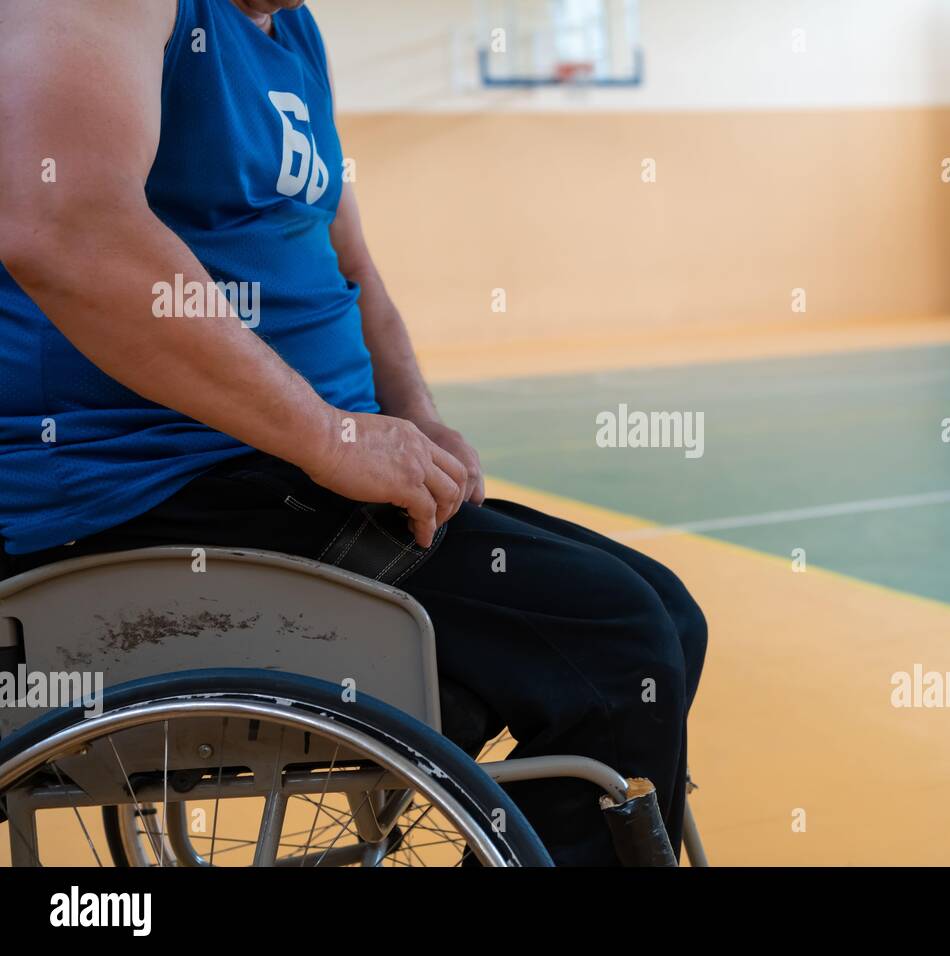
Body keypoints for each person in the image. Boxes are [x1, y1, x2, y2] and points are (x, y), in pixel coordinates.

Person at [0, 0, 706, 866]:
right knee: (614, 642)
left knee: (666, 614)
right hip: (150, 491)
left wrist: (415, 417)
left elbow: (352, 264)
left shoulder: (292, 31)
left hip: (276, 476)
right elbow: (65, 223)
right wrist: (331, 438)